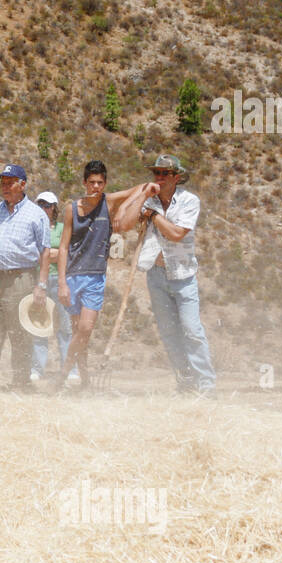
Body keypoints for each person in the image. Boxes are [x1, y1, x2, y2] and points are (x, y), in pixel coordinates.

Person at [116, 155, 216, 396]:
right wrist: (142, 196)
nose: (158, 177)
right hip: (156, 275)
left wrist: (153, 216)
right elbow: (124, 224)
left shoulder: (189, 201)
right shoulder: (149, 200)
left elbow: (176, 233)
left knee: (191, 330)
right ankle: (185, 382)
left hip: (183, 275)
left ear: (176, 177)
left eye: (164, 173)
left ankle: (206, 385)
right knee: (169, 333)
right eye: (156, 173)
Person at [50, 160, 147, 391]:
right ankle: (85, 381)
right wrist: (62, 282)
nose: (96, 187)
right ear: (84, 183)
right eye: (91, 182)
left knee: (84, 330)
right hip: (73, 275)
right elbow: (63, 247)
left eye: (100, 183)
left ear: (105, 184)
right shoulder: (71, 208)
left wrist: (122, 208)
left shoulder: (108, 201)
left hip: (95, 277)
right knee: (78, 334)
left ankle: (62, 376)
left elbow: (142, 188)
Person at [0, 164, 50, 391]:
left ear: (22, 184)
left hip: (20, 280)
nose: (4, 187)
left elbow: (45, 251)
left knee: (20, 336)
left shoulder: (36, 214)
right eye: (2, 183)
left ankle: (20, 385)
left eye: (9, 182)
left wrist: (41, 286)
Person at [29, 191, 76, 385]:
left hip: (60, 279)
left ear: (55, 208)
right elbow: (31, 253)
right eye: (41, 204)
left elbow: (70, 251)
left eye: (48, 205)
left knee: (65, 326)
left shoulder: (62, 228)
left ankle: (69, 369)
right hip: (39, 281)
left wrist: (49, 255)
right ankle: (37, 368)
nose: (44, 209)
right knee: (40, 326)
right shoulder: (32, 228)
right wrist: (54, 254)